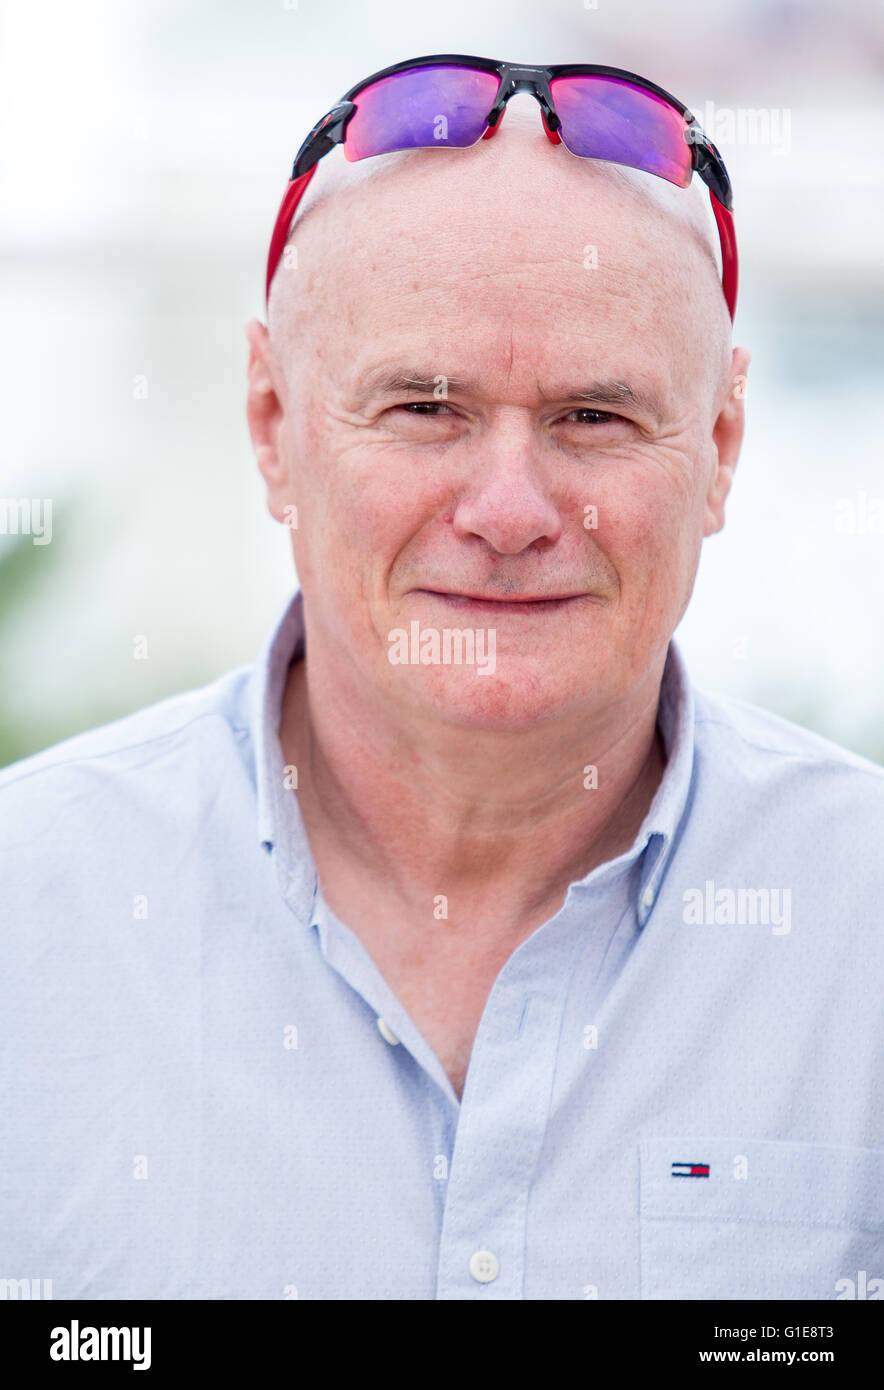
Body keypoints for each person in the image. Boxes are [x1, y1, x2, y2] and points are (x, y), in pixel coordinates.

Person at [1, 57, 882, 1302]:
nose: (510, 510)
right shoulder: (25, 920)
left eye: (593, 417)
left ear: (720, 449)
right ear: (271, 425)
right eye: (424, 407)